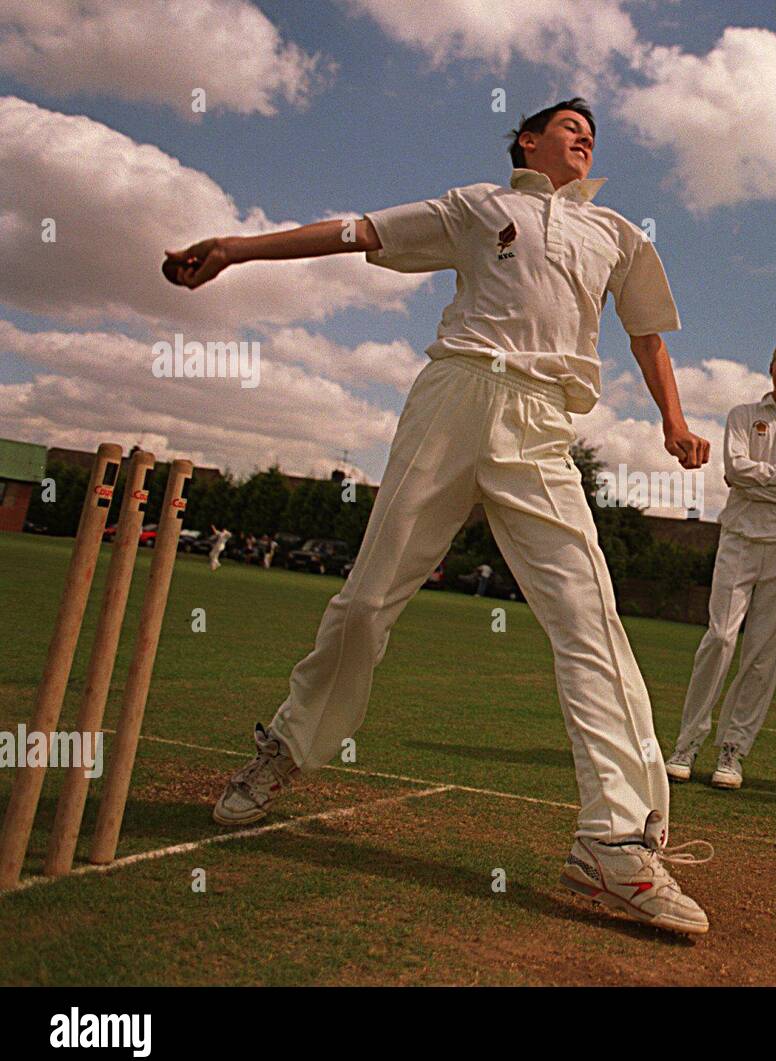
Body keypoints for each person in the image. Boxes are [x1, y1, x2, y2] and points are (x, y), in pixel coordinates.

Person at [165, 98, 715, 935]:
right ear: (526, 140)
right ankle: (288, 744)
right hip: (457, 394)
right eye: (567, 124)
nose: (584, 136)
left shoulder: (618, 235)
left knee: (589, 619)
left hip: (543, 426)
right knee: (369, 595)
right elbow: (357, 232)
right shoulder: (477, 207)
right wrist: (238, 249)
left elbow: (648, 336)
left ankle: (614, 839)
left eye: (591, 132)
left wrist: (673, 421)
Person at [665, 332, 776, 790]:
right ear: (772, 367)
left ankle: (732, 750)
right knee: (719, 638)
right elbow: (735, 470)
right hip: (739, 536)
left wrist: (760, 481)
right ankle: (687, 742)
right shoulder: (743, 416)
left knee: (762, 653)